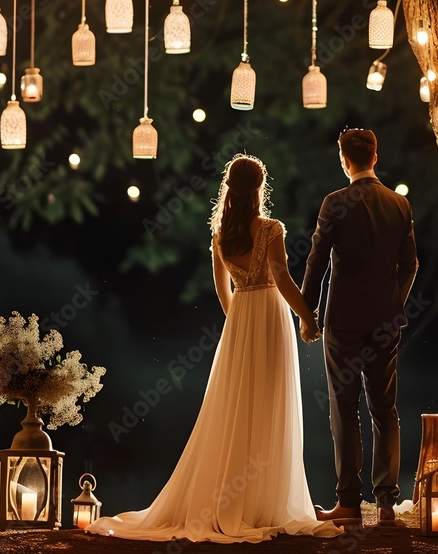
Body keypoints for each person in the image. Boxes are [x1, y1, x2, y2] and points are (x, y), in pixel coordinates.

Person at [87, 154, 341, 544]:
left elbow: (223, 290)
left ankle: (236, 497)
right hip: (271, 317)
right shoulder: (271, 229)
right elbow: (281, 277)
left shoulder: (220, 234)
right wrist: (307, 316)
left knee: (235, 404)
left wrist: (239, 320)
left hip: (240, 318)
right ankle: (264, 503)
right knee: (270, 401)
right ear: (260, 187)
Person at [301, 128, 418, 528]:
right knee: (385, 408)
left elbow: (316, 262)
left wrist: (307, 313)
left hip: (343, 321)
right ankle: (386, 503)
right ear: (375, 156)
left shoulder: (335, 203)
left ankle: (349, 503)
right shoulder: (399, 204)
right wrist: (394, 303)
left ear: (343, 160)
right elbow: (411, 265)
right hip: (386, 321)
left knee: (344, 407)